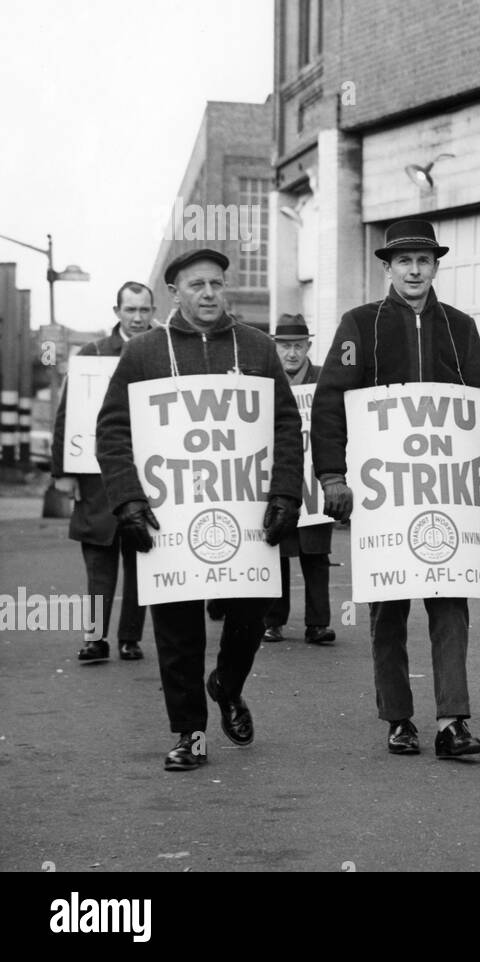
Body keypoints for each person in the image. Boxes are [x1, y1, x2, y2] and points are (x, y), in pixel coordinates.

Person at [311, 219, 480, 759]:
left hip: (450, 488)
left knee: (452, 601)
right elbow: (331, 400)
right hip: (386, 492)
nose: (414, 270)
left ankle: (453, 719)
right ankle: (398, 717)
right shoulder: (360, 324)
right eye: (404, 261)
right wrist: (332, 476)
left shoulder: (460, 327)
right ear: (388, 267)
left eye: (423, 260)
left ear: (435, 266)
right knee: (389, 605)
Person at [95, 249, 303, 772]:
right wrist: (128, 500)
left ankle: (227, 684)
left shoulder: (256, 347)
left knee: (250, 615)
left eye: (216, 283)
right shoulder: (144, 353)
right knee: (177, 627)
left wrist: (284, 493)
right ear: (175, 293)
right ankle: (189, 732)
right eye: (196, 285)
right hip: (171, 517)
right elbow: (113, 430)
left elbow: (284, 424)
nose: (208, 293)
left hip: (247, 514)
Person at [51, 281, 155, 663]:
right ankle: (95, 638)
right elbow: (68, 415)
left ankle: (130, 638)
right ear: (117, 313)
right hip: (95, 478)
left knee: (141, 562)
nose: (138, 318)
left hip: (148, 476)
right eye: (131, 310)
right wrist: (62, 471)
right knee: (99, 564)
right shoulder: (91, 354)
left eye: (145, 310)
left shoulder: (162, 352)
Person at [264, 313, 336, 645]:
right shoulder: (265, 379)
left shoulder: (324, 378)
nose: (292, 353)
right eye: (285, 347)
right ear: (275, 347)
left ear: (308, 345)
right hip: (281, 475)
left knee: (316, 553)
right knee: (276, 548)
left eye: (298, 346)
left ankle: (318, 623)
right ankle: (273, 620)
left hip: (315, 476)